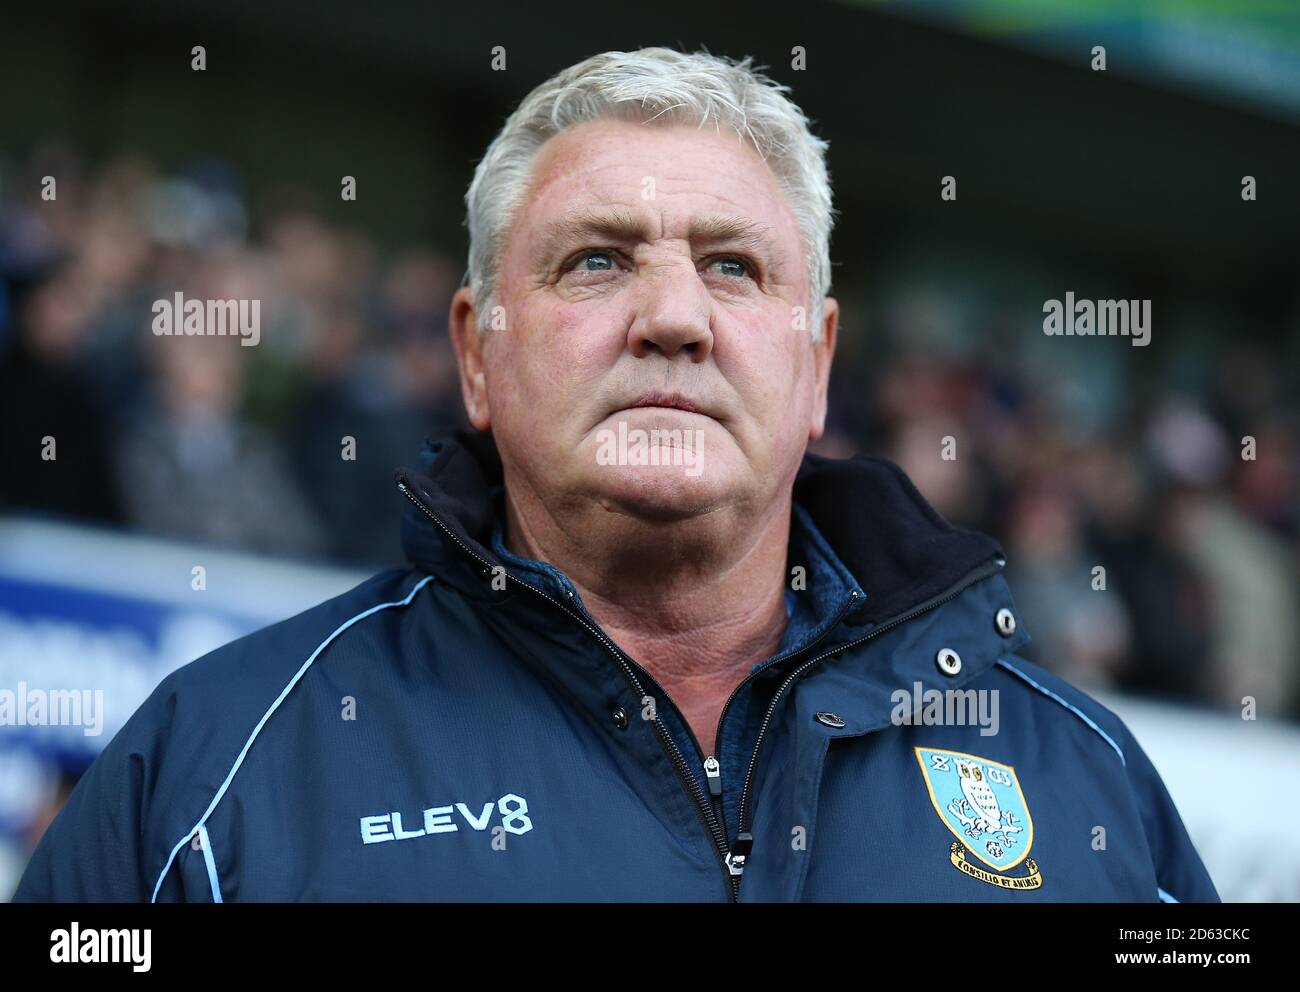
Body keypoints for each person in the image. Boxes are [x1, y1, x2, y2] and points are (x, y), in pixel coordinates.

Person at [14, 48, 1218, 902]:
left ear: (818, 366)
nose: (674, 318)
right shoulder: (215, 768)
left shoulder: (1084, 778)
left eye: (735, 267)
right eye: (596, 261)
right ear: (477, 352)